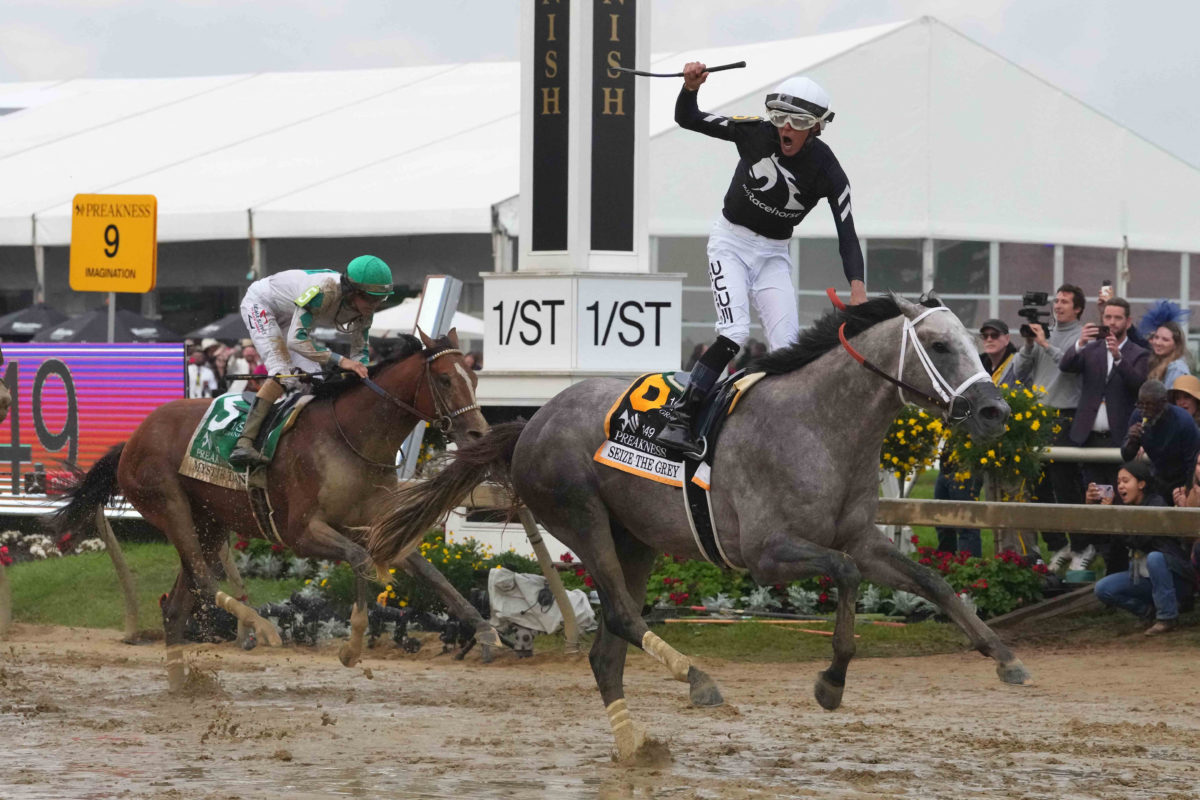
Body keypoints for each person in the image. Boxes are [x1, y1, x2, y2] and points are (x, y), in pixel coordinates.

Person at [657, 63, 867, 455]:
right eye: (780, 117)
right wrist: (689, 88)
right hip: (730, 242)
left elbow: (847, 234)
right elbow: (688, 119)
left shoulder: (829, 170)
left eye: (799, 121)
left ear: (818, 126)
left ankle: (778, 428)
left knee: (786, 348)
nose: (785, 128)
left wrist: (858, 291)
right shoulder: (754, 131)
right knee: (734, 332)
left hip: (773, 253)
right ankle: (680, 418)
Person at [227, 255, 394, 468]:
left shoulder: (365, 311)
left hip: (291, 315)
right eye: (371, 298)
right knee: (283, 372)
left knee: (312, 379)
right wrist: (340, 361)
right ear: (353, 291)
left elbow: (359, 352)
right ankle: (244, 442)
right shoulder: (324, 292)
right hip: (262, 304)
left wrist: (362, 375)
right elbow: (297, 341)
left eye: (381, 299)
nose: (375, 305)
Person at [1059, 296, 1149, 572]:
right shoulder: (1092, 349)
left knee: (1120, 498)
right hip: (1089, 437)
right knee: (1095, 495)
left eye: (1117, 318)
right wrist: (1079, 343)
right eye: (1107, 317)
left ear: (1127, 322)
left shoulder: (1138, 353)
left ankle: (1118, 561)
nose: (1110, 323)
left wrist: (1120, 359)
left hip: (1120, 439)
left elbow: (1139, 384)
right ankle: (1092, 551)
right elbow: (1066, 365)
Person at [1012, 284, 1086, 570]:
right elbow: (1019, 371)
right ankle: (1058, 545)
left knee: (1064, 484)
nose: (1058, 305)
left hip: (1066, 415)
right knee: (1038, 483)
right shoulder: (1043, 332)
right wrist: (1030, 345)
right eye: (1056, 300)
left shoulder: (1082, 335)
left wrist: (1045, 344)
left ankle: (1081, 546)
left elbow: (1071, 365)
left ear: (1077, 308)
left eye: (1065, 301)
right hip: (1038, 416)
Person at [933, 318, 1019, 557]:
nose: (989, 339)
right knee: (940, 509)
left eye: (995, 335)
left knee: (965, 517)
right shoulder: (978, 365)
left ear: (1007, 338)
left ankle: (969, 567)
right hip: (957, 443)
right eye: (985, 336)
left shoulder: (1016, 363)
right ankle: (945, 563)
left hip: (984, 447)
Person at [1090, 460, 1196, 635]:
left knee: (1155, 558)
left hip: (1175, 580)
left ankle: (1167, 617)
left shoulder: (1156, 503)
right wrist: (1093, 509)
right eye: (1118, 482)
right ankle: (1146, 612)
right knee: (1103, 588)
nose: (1120, 486)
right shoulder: (1122, 509)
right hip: (1143, 578)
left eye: (1125, 481)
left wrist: (1116, 518)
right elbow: (1102, 541)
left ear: (1141, 484)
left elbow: (1141, 540)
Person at [1120, 380, 1200, 501]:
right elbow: (1126, 456)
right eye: (1141, 404)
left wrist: (1187, 493)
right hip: (1158, 477)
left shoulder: (1183, 421)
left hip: (1183, 477)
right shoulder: (1137, 416)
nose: (1144, 411)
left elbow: (1192, 463)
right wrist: (1132, 441)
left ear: (1163, 403)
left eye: (1150, 405)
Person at [1145, 321, 1191, 389]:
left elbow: (1172, 398)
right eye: (1156, 337)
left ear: (1176, 344)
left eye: (1165, 340)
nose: (1158, 343)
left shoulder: (1176, 368)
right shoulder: (1157, 362)